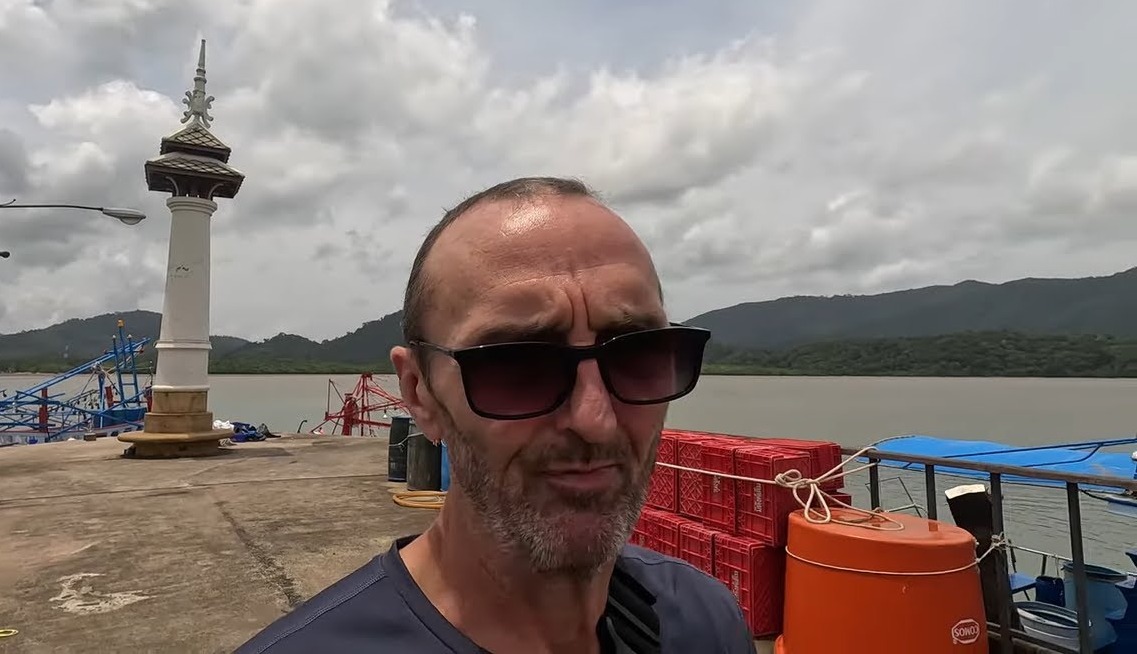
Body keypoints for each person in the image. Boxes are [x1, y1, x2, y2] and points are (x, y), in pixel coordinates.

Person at [236, 177, 754, 653]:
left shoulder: (705, 623)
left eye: (637, 356)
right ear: (420, 393)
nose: (596, 420)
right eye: (516, 365)